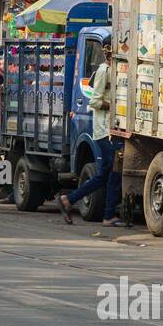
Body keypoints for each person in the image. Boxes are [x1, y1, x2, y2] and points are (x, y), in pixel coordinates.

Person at [57, 60, 126, 227]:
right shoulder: (104, 70)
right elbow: (94, 101)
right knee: (114, 173)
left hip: (112, 129)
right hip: (104, 131)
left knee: (104, 175)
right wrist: (115, 106)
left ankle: (69, 199)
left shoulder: (117, 68)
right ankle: (108, 216)